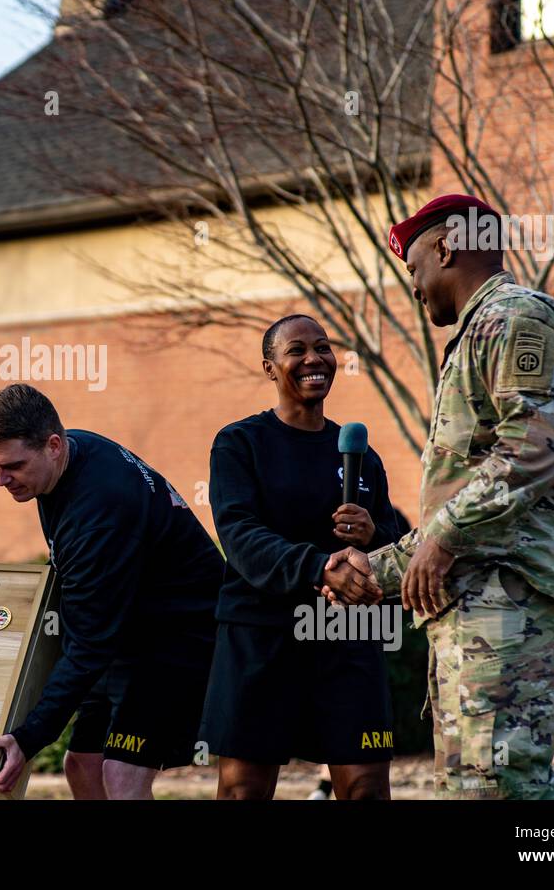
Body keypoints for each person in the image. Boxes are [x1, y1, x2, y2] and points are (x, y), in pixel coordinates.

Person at [326, 194, 554, 799]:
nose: (415, 287)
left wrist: (443, 536)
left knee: (497, 786)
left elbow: (535, 447)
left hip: (508, 596)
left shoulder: (514, 317)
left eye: (414, 266)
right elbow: (466, 500)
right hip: (480, 600)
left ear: (447, 247)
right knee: (469, 786)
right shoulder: (480, 331)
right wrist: (373, 569)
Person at [0, 383, 223, 799]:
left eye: (13, 466)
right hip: (128, 628)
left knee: (122, 775)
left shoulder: (100, 510)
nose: (1, 479)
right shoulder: (70, 457)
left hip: (179, 636)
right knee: (82, 767)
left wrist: (28, 737)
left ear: (54, 445)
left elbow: (89, 644)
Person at [202, 314, 400, 799]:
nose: (314, 359)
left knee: (367, 786)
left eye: (323, 347)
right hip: (261, 634)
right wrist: (319, 567)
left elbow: (394, 546)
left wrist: (374, 534)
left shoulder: (361, 455)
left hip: (346, 635)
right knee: (244, 789)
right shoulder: (240, 443)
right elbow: (240, 536)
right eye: (296, 350)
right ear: (270, 367)